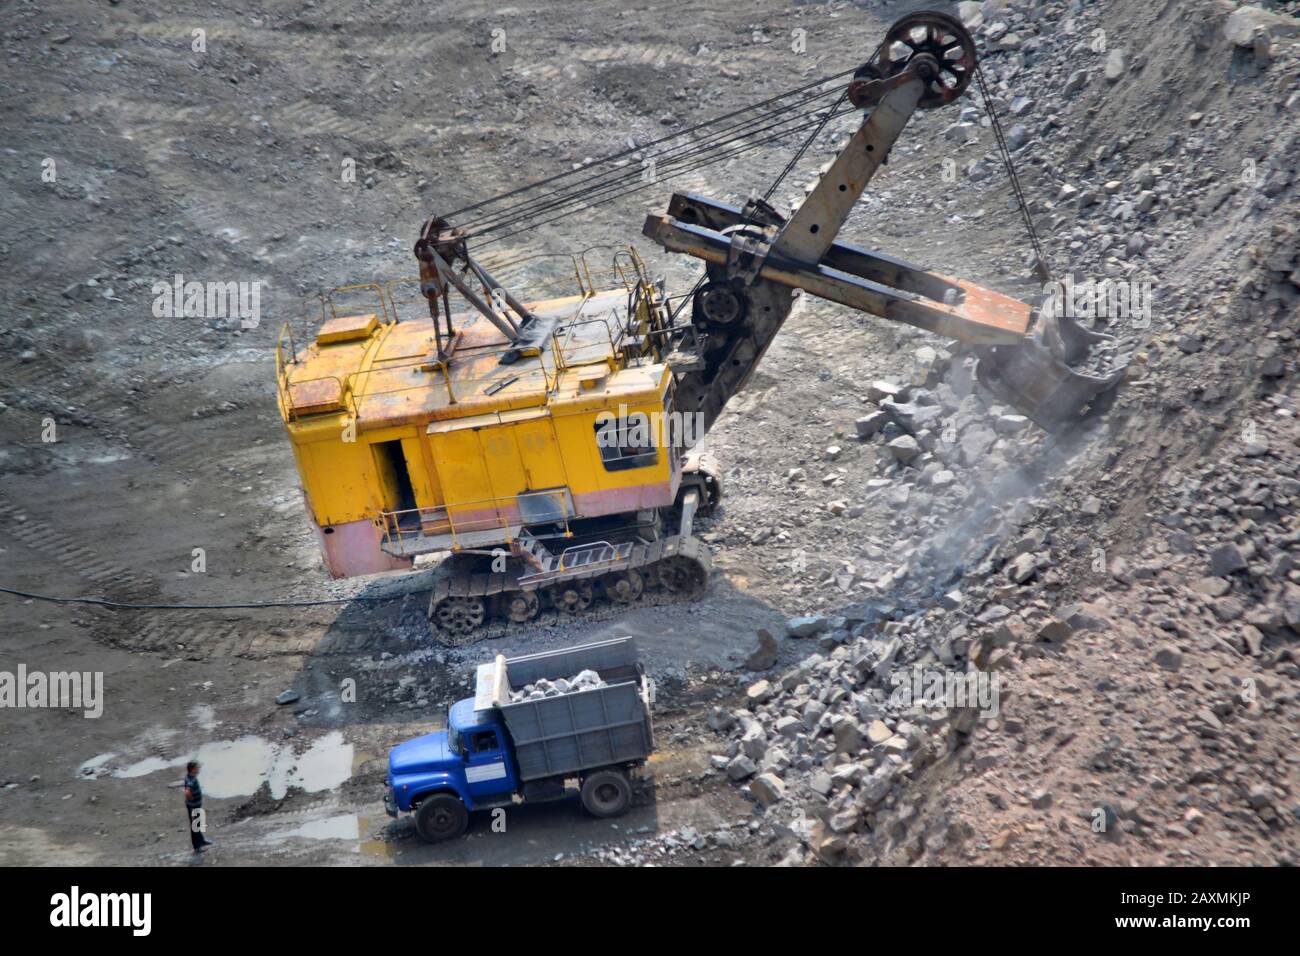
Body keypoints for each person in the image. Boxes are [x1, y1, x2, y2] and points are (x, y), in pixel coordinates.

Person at [183, 760, 214, 852]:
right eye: (197, 768)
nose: (199, 769)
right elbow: (187, 791)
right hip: (193, 806)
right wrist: (191, 798)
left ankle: (202, 840)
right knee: (195, 826)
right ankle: (197, 847)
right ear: (193, 769)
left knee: (198, 824)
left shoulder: (190, 777)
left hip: (195, 805)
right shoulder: (191, 780)